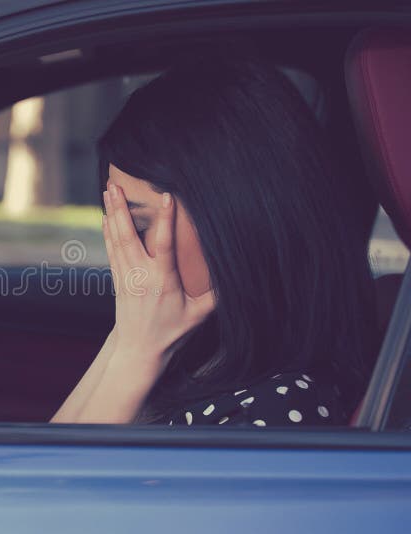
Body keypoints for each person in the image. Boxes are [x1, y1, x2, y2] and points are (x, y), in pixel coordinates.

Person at [51, 55, 377, 426]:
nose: (125, 258)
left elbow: (50, 484)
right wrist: (128, 341)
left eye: (137, 227)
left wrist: (136, 351)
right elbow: (39, 470)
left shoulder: (278, 414)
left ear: (232, 219)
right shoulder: (200, 357)